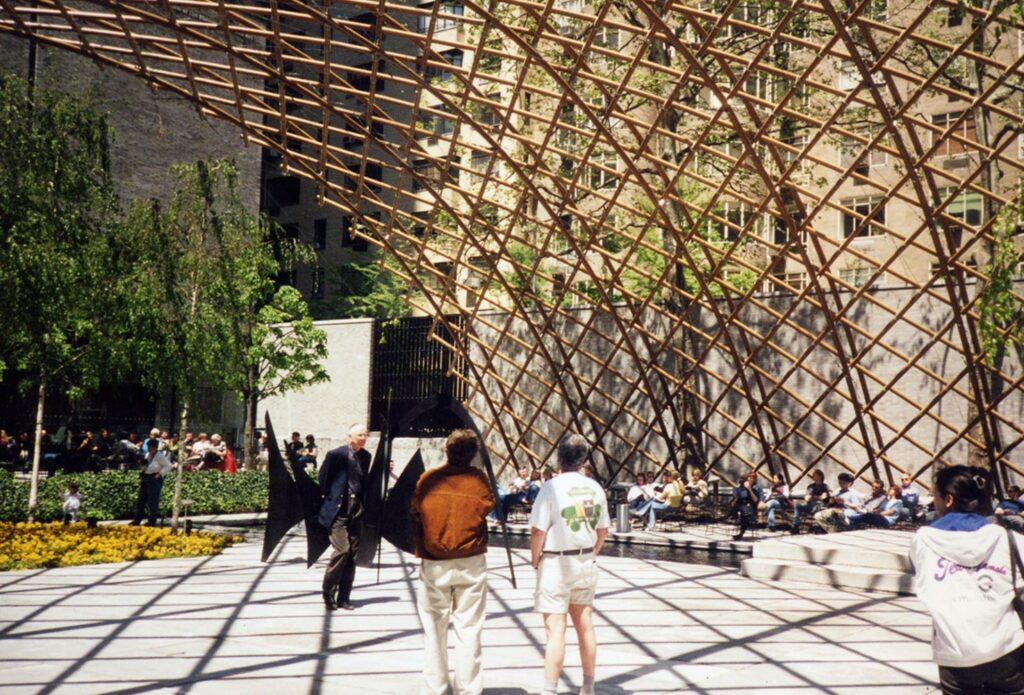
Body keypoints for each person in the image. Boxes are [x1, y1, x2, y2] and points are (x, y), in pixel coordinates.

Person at [911, 465, 1024, 694]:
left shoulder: (923, 541)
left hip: (955, 655)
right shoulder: (1007, 538)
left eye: (936, 496)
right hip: (1006, 651)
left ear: (949, 499)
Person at [411, 429, 494, 695]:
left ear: (447, 451)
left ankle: (435, 688)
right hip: (471, 561)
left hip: (434, 561)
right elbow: (487, 507)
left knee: (434, 628)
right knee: (469, 627)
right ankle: (468, 689)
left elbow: (414, 510)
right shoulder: (479, 481)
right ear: (473, 455)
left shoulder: (428, 479)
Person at [530, 434, 609, 695]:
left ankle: (549, 691)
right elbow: (603, 530)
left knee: (555, 630)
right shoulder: (595, 487)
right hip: (585, 561)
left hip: (556, 562)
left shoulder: (550, 487)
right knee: (585, 625)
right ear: (584, 458)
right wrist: (591, 552)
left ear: (559, 457)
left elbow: (538, 531)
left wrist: (535, 559)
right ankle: (588, 688)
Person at [318, 423, 371, 611]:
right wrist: (329, 497)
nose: (364, 438)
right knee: (342, 550)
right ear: (350, 436)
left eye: (366, 435)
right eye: (360, 435)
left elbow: (366, 481)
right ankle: (328, 591)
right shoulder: (336, 455)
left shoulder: (366, 457)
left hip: (357, 509)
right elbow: (323, 478)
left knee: (353, 555)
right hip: (338, 510)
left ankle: (344, 597)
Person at [131, 437, 174, 526]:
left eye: (151, 447)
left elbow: (169, 466)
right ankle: (137, 520)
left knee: (152, 501)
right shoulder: (148, 454)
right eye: (149, 446)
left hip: (154, 479)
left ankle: (151, 521)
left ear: (155, 447)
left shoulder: (159, 456)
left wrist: (160, 474)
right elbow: (146, 465)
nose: (149, 448)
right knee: (141, 500)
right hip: (146, 477)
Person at [791, 469, 830, 534]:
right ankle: (795, 526)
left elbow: (824, 498)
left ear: (820, 476)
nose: (813, 476)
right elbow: (807, 498)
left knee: (820, 505)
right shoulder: (811, 487)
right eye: (813, 475)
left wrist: (813, 497)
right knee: (798, 506)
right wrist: (818, 497)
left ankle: (818, 527)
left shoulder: (825, 486)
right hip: (810, 506)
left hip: (820, 507)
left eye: (815, 475)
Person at [731, 471, 764, 540]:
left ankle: (741, 533)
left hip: (750, 507)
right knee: (742, 510)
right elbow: (734, 501)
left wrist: (749, 489)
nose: (751, 480)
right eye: (749, 478)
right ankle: (734, 517)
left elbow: (755, 500)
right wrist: (737, 496)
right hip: (740, 506)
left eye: (753, 478)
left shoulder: (754, 489)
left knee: (744, 513)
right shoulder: (739, 488)